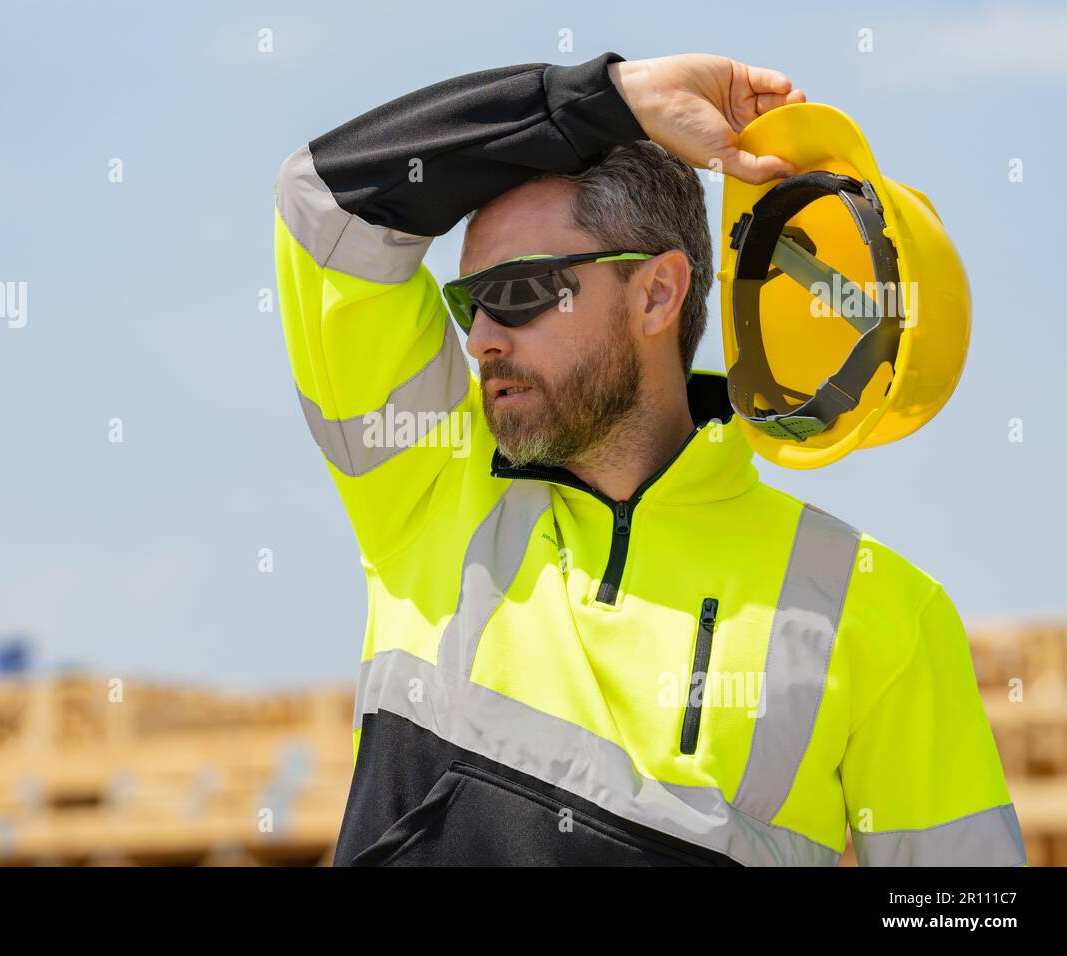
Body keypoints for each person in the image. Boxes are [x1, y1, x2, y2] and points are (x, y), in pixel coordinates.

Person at [272, 51, 1025, 866]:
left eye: (520, 292)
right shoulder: (425, 480)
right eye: (470, 302)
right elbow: (327, 204)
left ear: (658, 294)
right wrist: (609, 100)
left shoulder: (880, 613)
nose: (483, 337)